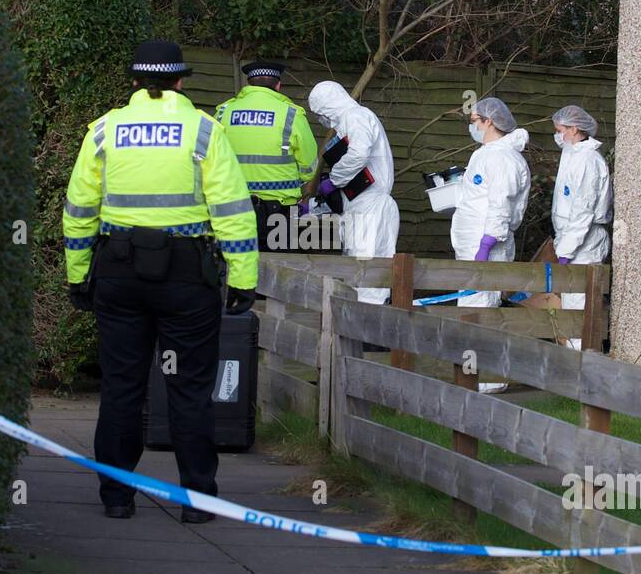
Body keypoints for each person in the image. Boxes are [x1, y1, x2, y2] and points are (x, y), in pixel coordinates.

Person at [62, 39, 259, 523]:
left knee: (122, 386)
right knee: (190, 388)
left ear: (134, 82)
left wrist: (78, 274)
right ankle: (196, 500)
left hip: (118, 271)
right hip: (186, 275)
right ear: (179, 81)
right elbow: (233, 212)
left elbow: (78, 210)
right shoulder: (203, 131)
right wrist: (242, 280)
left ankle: (116, 497)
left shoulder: (104, 131)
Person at [450, 97, 531, 392]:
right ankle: (475, 376)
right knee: (472, 309)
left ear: (490, 122)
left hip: (486, 246)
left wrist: (486, 242)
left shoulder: (503, 158)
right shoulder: (486, 154)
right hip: (473, 245)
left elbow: (501, 205)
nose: (472, 126)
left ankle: (487, 379)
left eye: (475, 121)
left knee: (481, 310)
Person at [305, 81, 400, 303]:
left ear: (328, 105)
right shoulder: (350, 122)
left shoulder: (356, 116)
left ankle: (365, 332)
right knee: (364, 278)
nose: (322, 120)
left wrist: (335, 180)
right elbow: (353, 188)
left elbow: (358, 154)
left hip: (370, 210)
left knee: (366, 278)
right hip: (364, 208)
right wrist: (315, 206)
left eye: (320, 113)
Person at [214, 60, 319, 251]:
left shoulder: (223, 112)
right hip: (279, 214)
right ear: (278, 85)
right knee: (282, 272)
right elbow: (310, 166)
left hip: (233, 209)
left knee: (235, 268)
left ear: (249, 84)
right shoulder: (291, 114)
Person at [550, 103, 613, 351]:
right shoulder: (573, 156)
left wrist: (566, 249)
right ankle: (573, 359)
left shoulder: (588, 161)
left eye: (560, 130)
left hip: (585, 243)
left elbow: (582, 210)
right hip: (572, 241)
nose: (557, 136)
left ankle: (581, 362)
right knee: (571, 303)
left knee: (580, 305)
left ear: (574, 129)